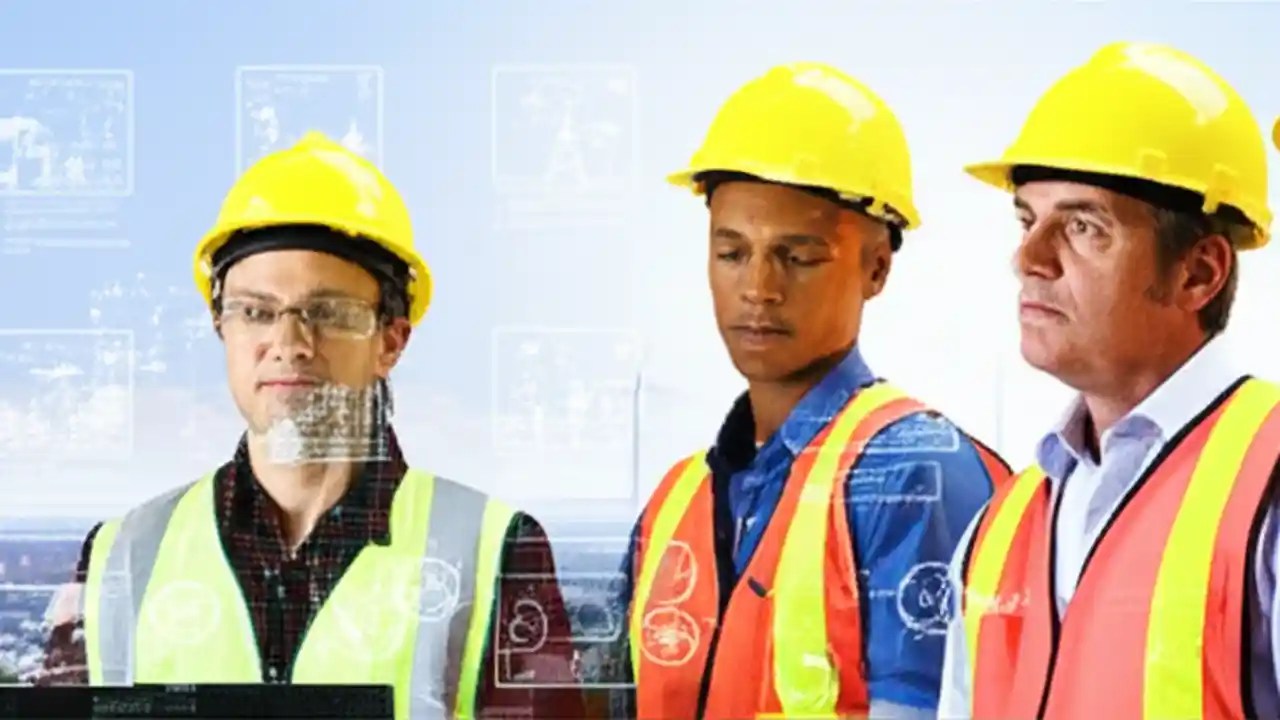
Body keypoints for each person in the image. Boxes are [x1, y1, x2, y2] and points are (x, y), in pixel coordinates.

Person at [34, 131, 584, 720]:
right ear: (222, 328)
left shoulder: (492, 550)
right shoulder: (122, 556)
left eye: (327, 312)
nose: (289, 343)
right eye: (255, 311)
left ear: (390, 341)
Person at [610, 62, 1010, 719]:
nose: (758, 289)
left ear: (877, 268)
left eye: (797, 257)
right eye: (732, 253)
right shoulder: (674, 503)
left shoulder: (915, 475)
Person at [939, 42, 1280, 719]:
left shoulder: (1268, 484)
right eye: (1027, 220)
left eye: (1082, 226)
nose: (1027, 258)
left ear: (1199, 273)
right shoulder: (1000, 526)